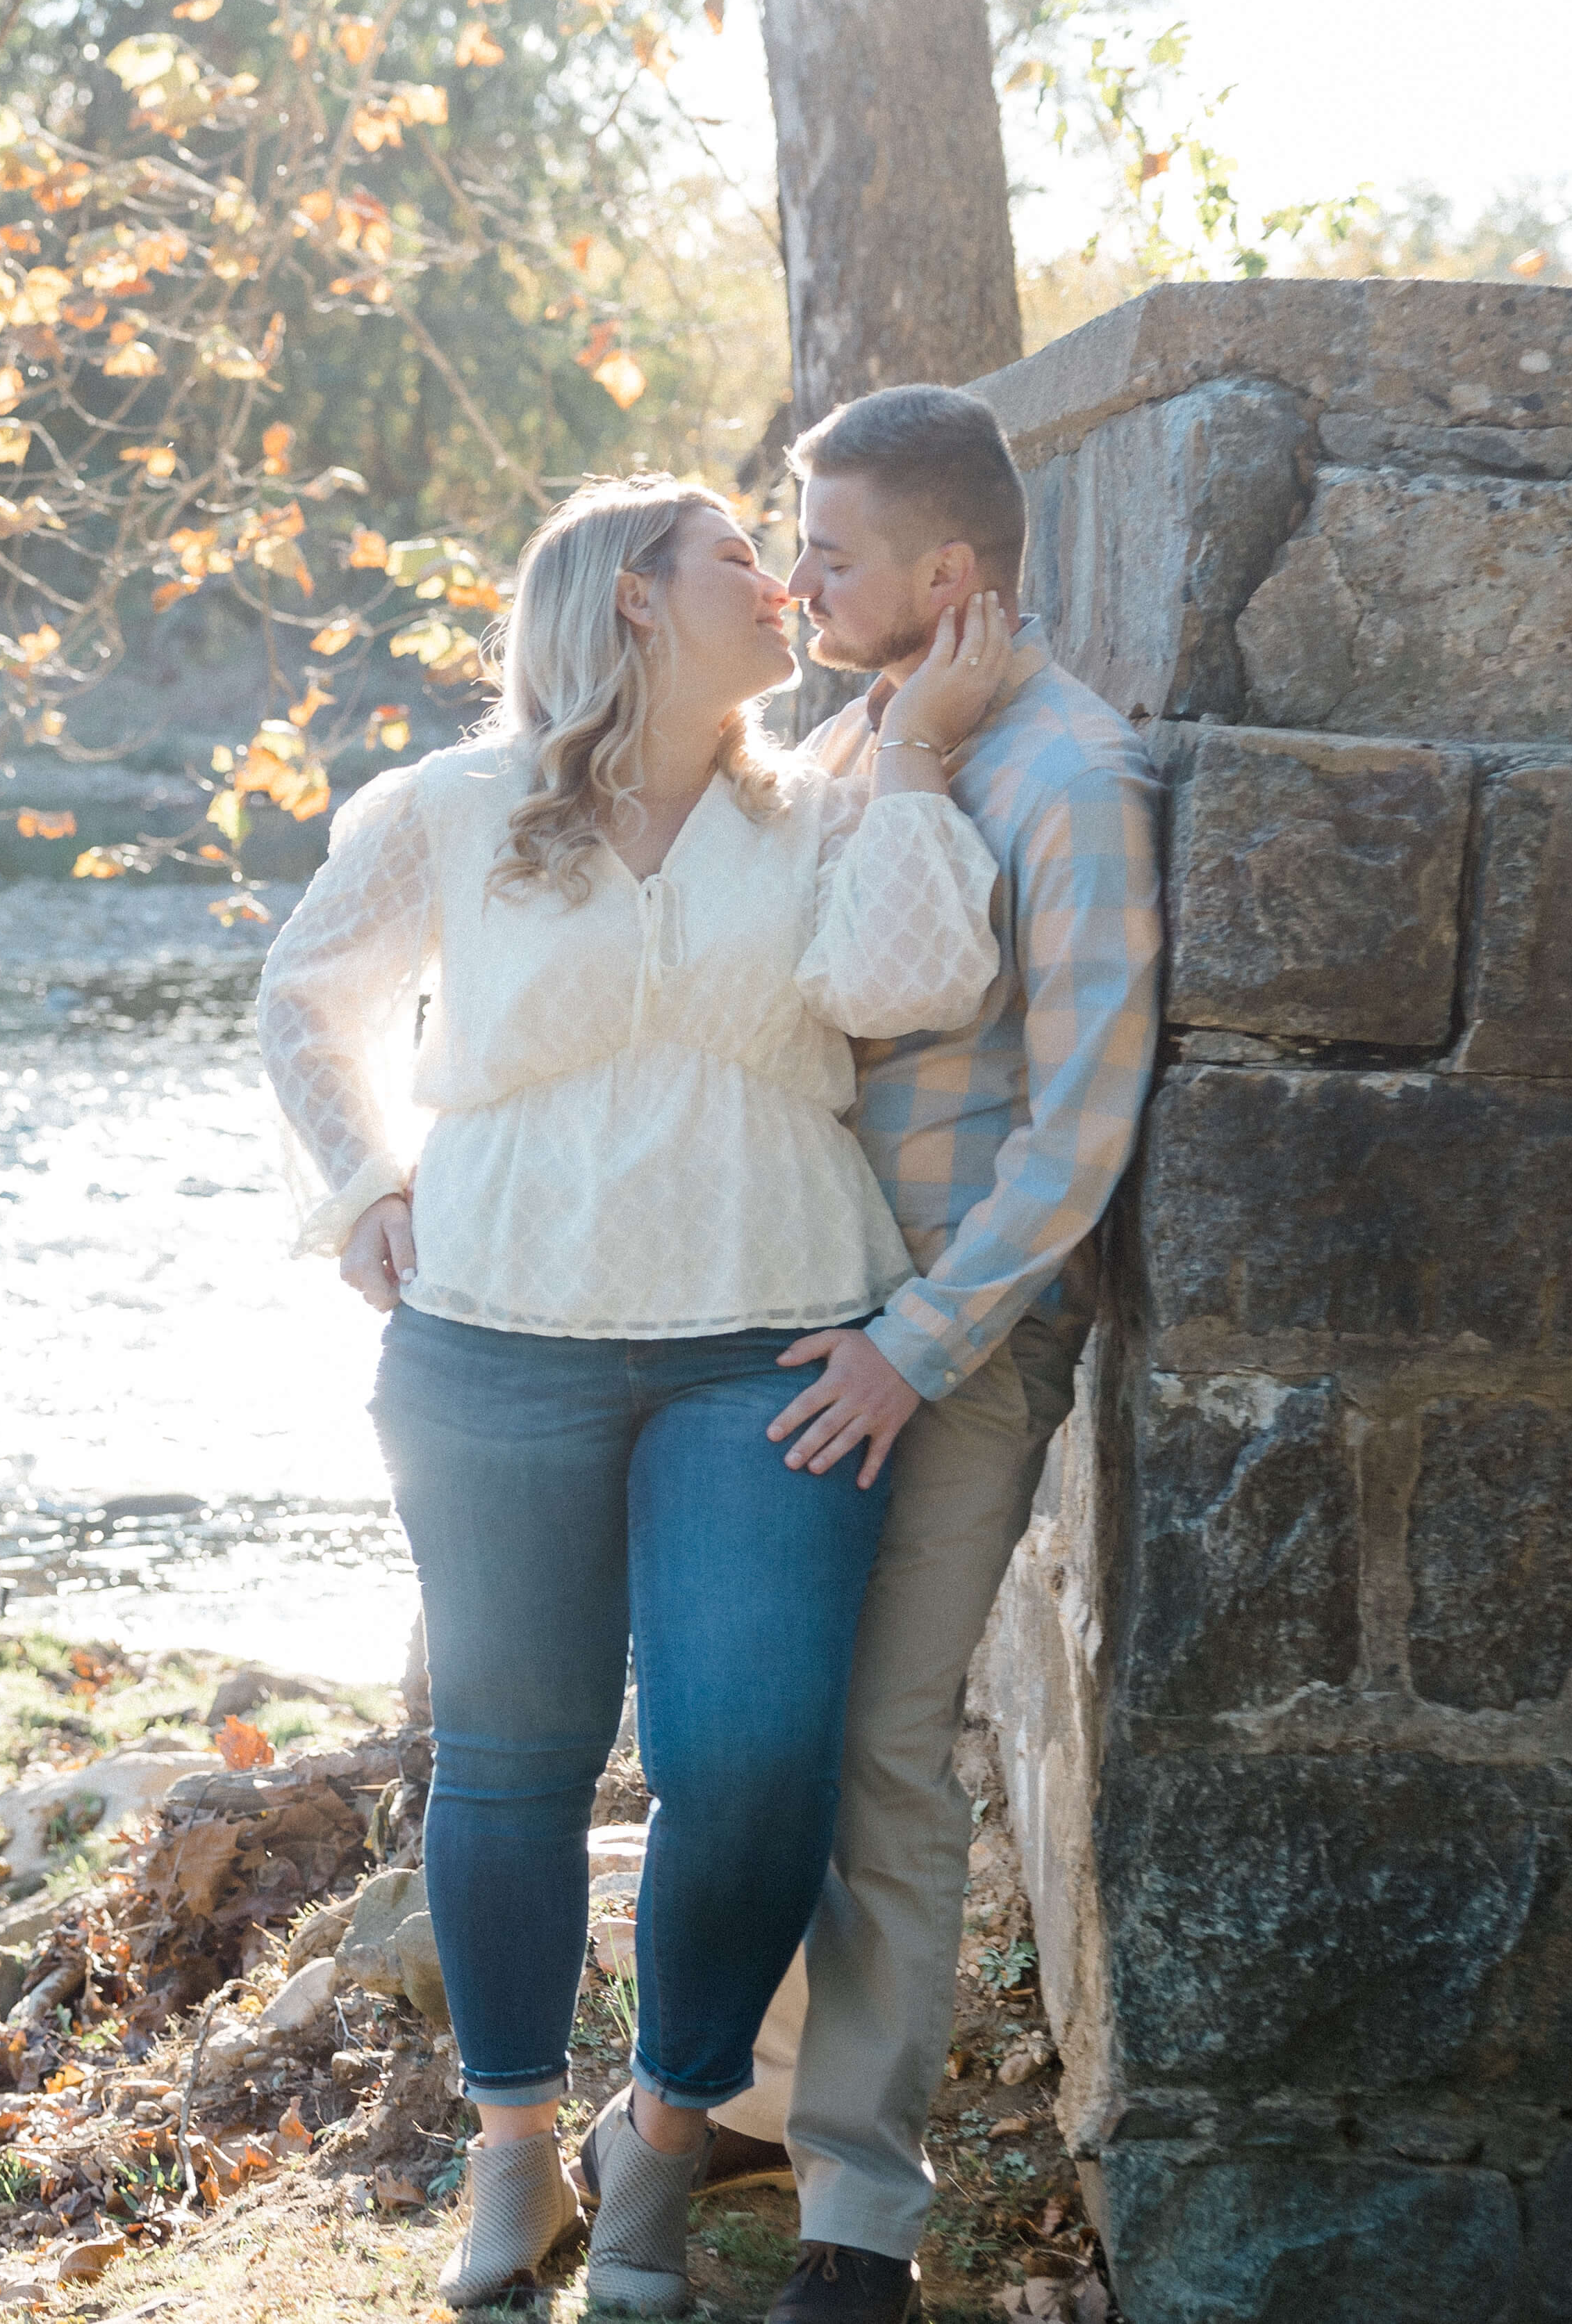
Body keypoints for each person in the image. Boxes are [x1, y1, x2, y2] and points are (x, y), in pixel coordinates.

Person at [258, 471, 1015, 2316]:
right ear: (627, 604)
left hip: (765, 1344)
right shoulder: (448, 807)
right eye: (738, 559)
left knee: (748, 1765)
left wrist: (913, 754)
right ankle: (511, 2151)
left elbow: (921, 983)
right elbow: (306, 997)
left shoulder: (828, 809)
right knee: (512, 1759)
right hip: (491, 1346)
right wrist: (362, 1187)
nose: (778, 585)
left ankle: (664, 2136)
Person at [709, 385, 1164, 2324]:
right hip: (778, 1313)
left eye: (824, 552)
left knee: (887, 1750)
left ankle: (858, 2227)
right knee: (756, 1719)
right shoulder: (860, 736)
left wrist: (913, 1344)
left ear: (946, 576)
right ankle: (741, 2092)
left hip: (944, 1348)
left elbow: (1082, 1125)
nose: (792, 578)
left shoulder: (1065, 780)